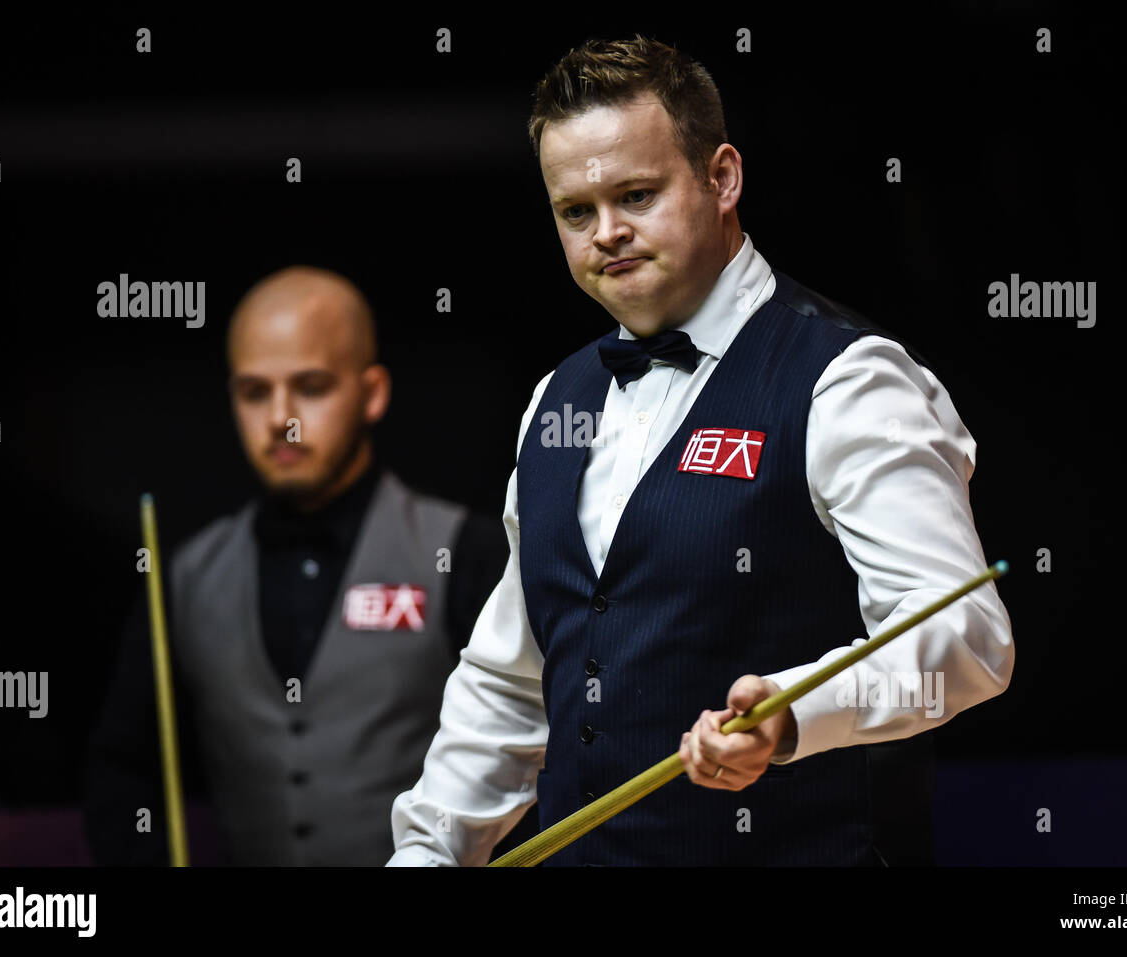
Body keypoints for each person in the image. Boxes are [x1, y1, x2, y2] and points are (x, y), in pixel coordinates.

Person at [388, 35, 1014, 867]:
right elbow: (511, 677)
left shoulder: (848, 379)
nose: (607, 232)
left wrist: (796, 709)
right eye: (576, 212)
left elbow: (967, 635)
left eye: (638, 195)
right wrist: (427, 853)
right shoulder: (556, 400)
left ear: (722, 177)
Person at [84, 265, 528, 865]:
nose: (280, 418)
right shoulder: (186, 577)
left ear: (372, 393)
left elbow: (527, 745)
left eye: (311, 386)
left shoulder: (465, 551)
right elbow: (123, 771)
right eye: (254, 392)